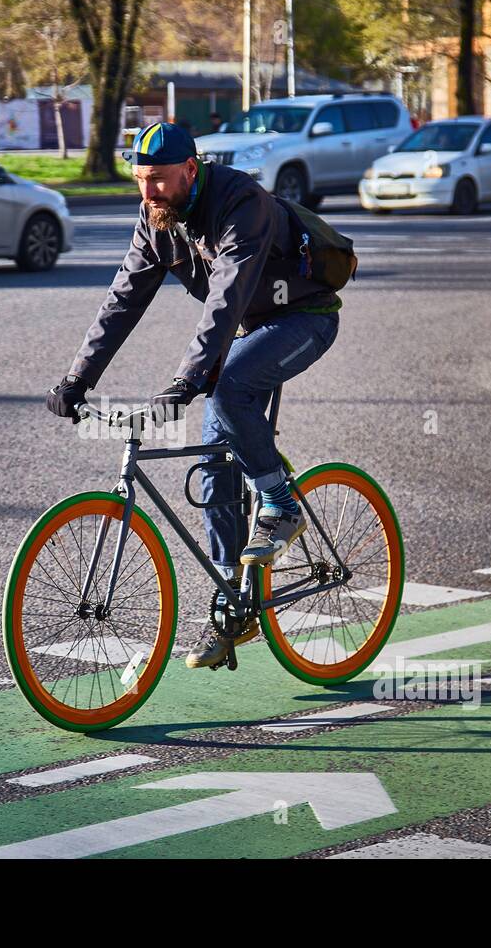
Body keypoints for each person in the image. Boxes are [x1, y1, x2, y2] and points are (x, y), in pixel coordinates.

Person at [45, 121, 343, 669]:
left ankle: (280, 503)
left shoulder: (241, 202)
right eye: (140, 180)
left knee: (226, 388)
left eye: (159, 180)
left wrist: (187, 380)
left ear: (190, 169)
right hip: (250, 332)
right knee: (213, 469)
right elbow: (122, 301)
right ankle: (232, 605)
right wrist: (77, 379)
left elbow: (226, 300)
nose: (149, 192)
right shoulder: (155, 220)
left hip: (304, 318)